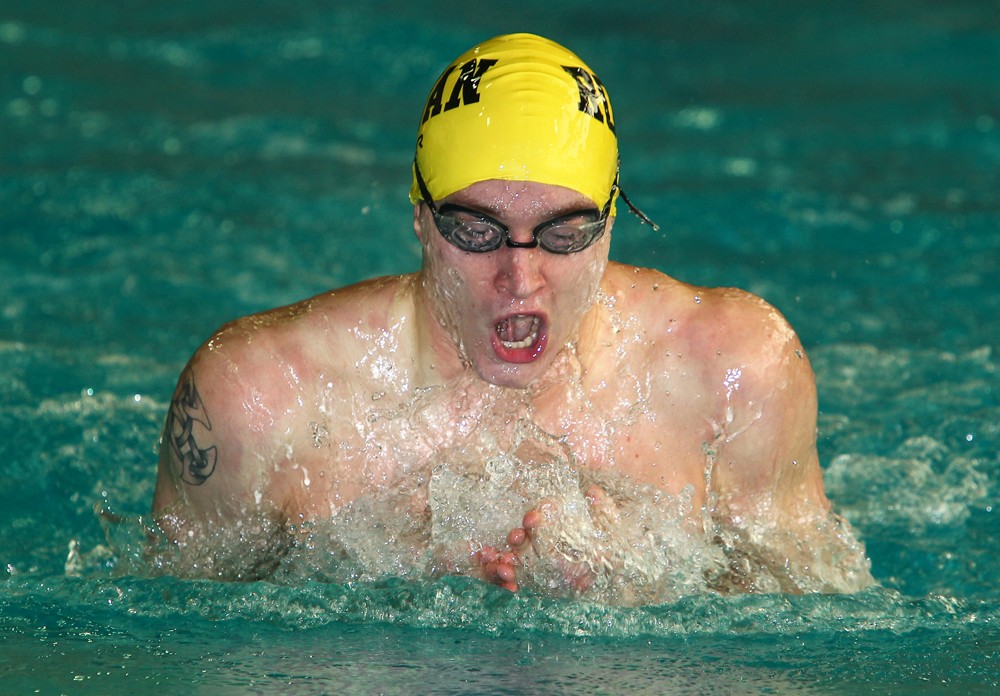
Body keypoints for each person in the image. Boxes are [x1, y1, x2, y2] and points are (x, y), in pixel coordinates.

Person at [151, 33, 873, 600]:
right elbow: (177, 638)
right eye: (476, 230)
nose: (520, 278)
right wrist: (370, 591)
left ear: (612, 220)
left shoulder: (734, 372)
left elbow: (813, 627)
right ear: (420, 215)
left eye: (564, 233)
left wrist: (646, 591)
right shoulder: (256, 398)